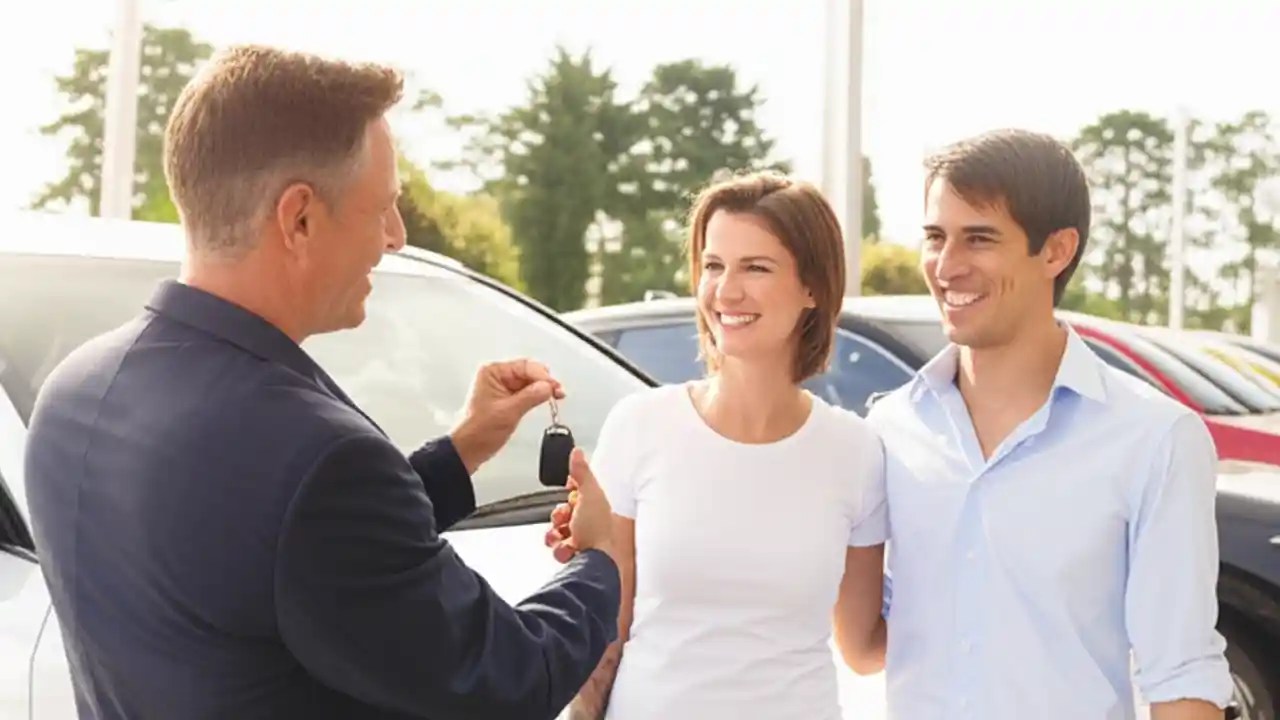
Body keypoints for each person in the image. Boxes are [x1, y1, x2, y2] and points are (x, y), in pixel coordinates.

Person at [23, 44, 619, 720]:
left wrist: (462, 451)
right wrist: (603, 560)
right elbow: (507, 679)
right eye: (384, 207)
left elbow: (276, 549)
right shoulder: (317, 457)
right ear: (299, 218)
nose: (395, 237)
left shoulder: (73, 393)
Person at [866, 129, 1234, 719]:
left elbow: (1182, 670)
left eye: (979, 238)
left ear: (1056, 251)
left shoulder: (1153, 438)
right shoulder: (889, 429)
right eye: (936, 237)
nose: (946, 266)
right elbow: (865, 643)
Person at [545, 171, 890, 720]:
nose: (726, 290)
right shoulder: (641, 426)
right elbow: (606, 631)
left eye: (756, 267)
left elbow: (863, 646)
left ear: (813, 288)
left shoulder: (856, 451)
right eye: (713, 266)